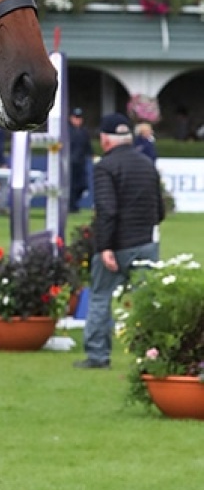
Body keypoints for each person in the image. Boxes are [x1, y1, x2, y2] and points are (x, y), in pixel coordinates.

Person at [75, 113, 164, 369]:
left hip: (117, 245)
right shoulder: (147, 163)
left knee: (101, 297)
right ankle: (151, 356)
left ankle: (98, 355)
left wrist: (105, 247)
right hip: (146, 242)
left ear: (104, 140)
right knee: (146, 302)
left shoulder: (105, 166)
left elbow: (107, 209)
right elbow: (159, 210)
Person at [67, 107, 93, 212]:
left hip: (81, 162)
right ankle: (71, 206)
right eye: (75, 118)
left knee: (82, 185)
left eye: (79, 118)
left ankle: (74, 203)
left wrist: (91, 154)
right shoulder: (67, 131)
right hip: (70, 162)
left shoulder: (84, 131)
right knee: (71, 185)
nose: (78, 120)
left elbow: (87, 146)